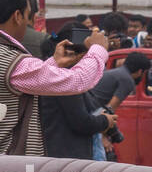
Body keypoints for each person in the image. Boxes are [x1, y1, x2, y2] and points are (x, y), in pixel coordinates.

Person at [0, 0, 108, 156]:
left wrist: (53, 63)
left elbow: (17, 80)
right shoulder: (12, 61)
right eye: (28, 16)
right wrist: (98, 50)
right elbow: (77, 81)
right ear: (18, 16)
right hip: (3, 165)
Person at [37, 25, 115, 159]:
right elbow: (80, 121)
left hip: (58, 152)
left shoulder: (53, 70)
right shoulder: (64, 75)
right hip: (66, 156)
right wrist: (105, 121)